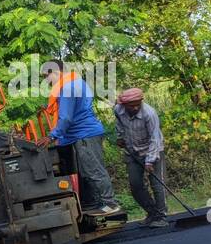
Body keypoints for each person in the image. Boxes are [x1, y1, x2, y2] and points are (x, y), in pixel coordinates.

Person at [36, 60, 121, 217]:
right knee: (87, 171)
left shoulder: (67, 88)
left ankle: (110, 204)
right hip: (83, 134)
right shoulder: (77, 82)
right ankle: (98, 204)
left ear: (56, 73)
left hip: (84, 134)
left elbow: (66, 118)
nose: (46, 81)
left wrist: (51, 136)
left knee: (93, 170)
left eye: (46, 76)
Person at [113, 88, 168, 228]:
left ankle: (162, 217)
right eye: (132, 105)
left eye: (138, 104)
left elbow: (155, 138)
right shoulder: (118, 110)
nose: (135, 107)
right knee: (135, 185)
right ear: (124, 105)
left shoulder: (149, 113)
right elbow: (119, 124)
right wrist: (120, 137)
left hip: (153, 150)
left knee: (158, 184)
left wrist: (150, 160)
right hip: (132, 152)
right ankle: (152, 213)